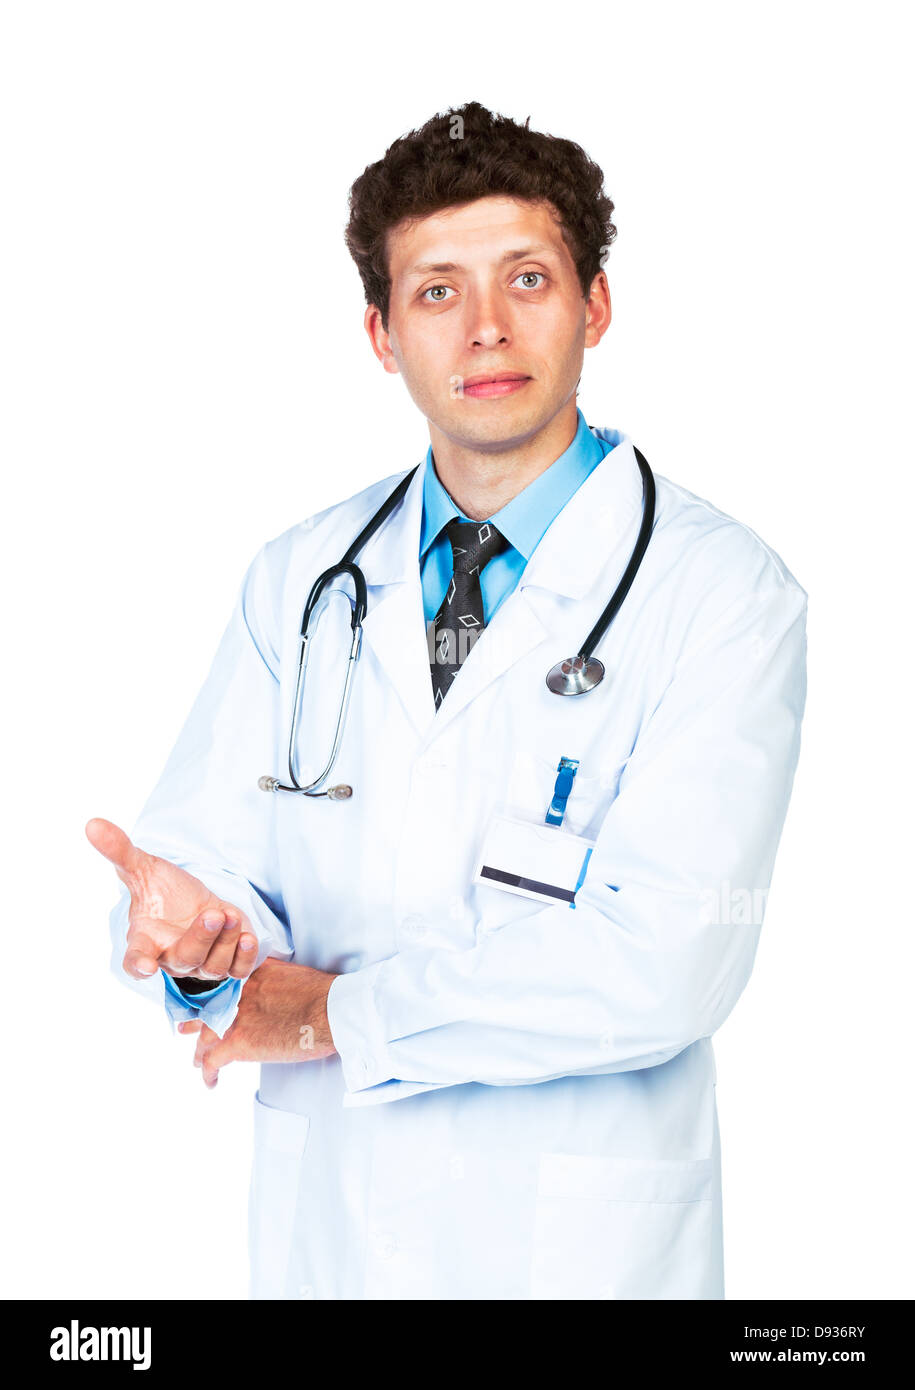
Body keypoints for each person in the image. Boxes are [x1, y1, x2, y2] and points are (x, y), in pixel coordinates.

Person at [86, 101, 807, 1300]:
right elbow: (210, 880)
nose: (485, 328)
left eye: (527, 277)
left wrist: (330, 1019)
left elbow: (669, 961)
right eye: (435, 291)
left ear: (597, 304)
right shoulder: (301, 579)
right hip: (333, 1240)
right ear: (379, 333)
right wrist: (197, 950)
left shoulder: (722, 591)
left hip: (582, 1253)